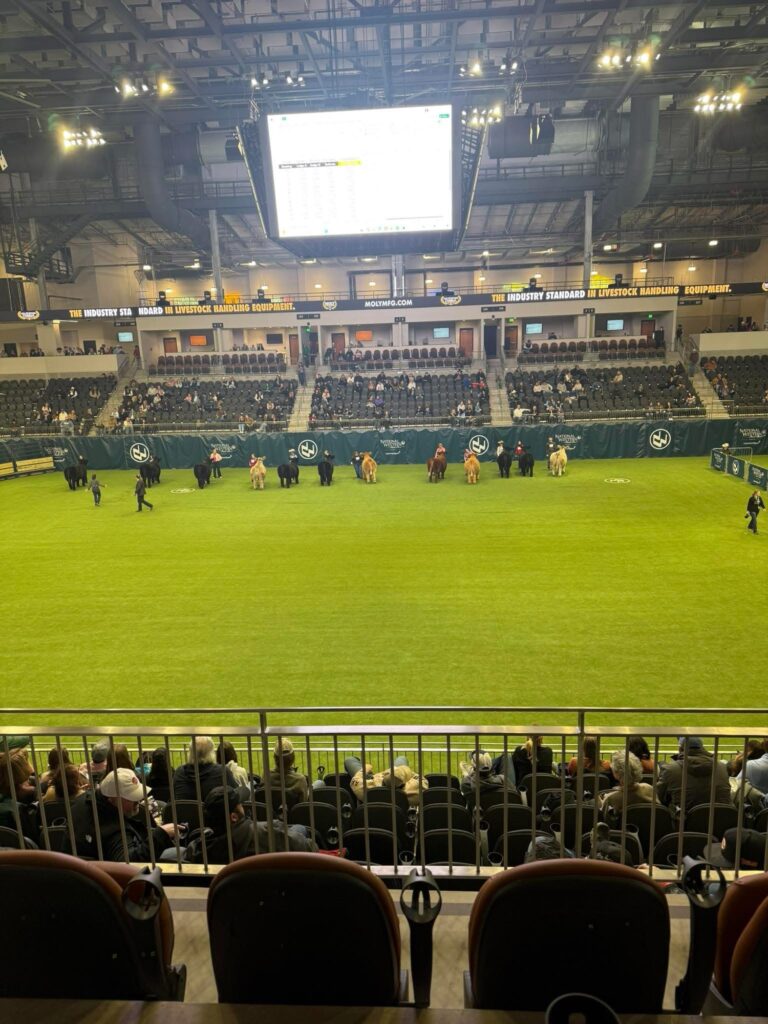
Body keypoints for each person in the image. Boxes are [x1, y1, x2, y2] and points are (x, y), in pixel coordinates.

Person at [184, 786, 317, 863]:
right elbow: (310, 849)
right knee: (300, 828)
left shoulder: (197, 849)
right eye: (239, 803)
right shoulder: (269, 832)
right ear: (233, 817)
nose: (242, 805)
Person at [70, 767, 175, 862]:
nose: (138, 801)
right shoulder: (113, 829)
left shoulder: (81, 802)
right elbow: (130, 862)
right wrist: (160, 835)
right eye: (132, 797)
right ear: (112, 799)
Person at [656, 736, 731, 813]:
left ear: (680, 749)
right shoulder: (722, 766)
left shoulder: (670, 769)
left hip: (684, 822)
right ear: (702, 748)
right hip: (720, 820)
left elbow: (658, 797)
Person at [346, 754, 428, 807]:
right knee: (401, 758)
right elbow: (422, 779)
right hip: (399, 818)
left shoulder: (364, 789)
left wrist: (366, 768)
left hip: (372, 780)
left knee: (349, 760)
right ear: (405, 782)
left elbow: (355, 779)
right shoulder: (414, 793)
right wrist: (404, 772)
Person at [600, 751, 659, 817]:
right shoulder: (650, 789)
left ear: (617, 773)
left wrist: (602, 802)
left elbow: (605, 822)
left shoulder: (611, 800)